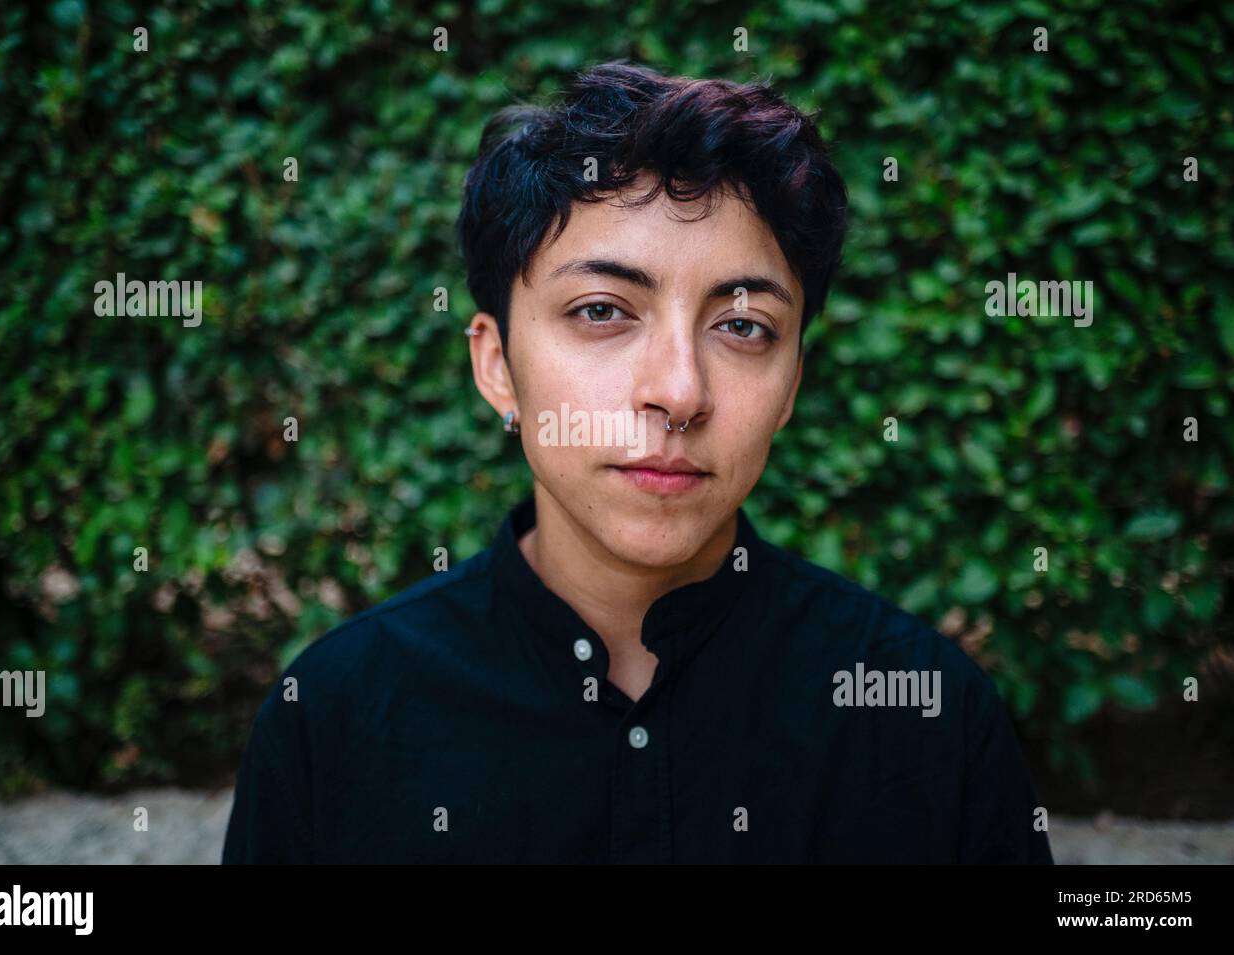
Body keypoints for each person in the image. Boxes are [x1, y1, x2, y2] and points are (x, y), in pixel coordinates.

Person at [222, 62, 1053, 864]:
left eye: (743, 326)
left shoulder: (922, 715)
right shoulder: (337, 718)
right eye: (602, 310)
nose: (679, 392)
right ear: (497, 364)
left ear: (791, 383)